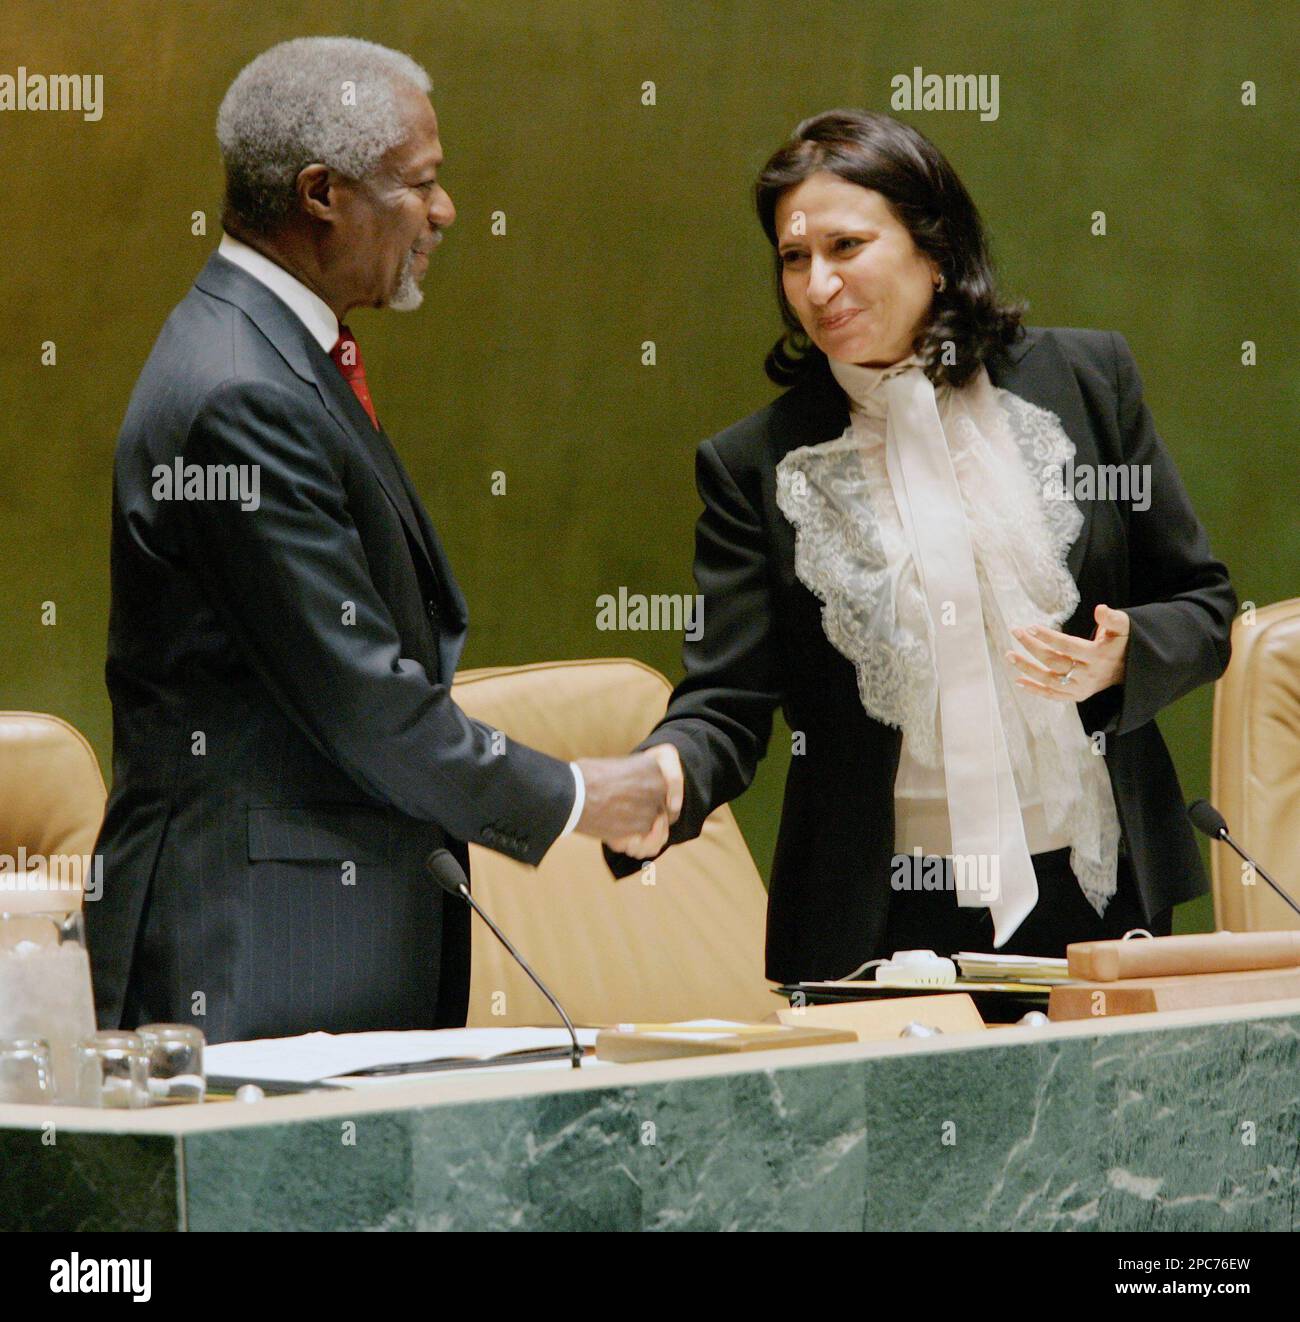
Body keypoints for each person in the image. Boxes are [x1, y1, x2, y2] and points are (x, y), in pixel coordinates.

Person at [88, 37, 680, 1043]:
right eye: (421, 182)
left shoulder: (273, 353)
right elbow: (366, 704)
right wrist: (585, 794)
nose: (444, 211)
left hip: (303, 932)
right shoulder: (242, 390)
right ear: (322, 193)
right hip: (255, 951)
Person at [606, 109, 1236, 980]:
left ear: (935, 251)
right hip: (883, 921)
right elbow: (729, 697)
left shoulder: (1087, 382)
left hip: (1102, 895)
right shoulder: (758, 464)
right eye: (795, 258)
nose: (818, 285)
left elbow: (1205, 604)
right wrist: (666, 776)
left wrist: (1130, 654)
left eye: (847, 247)